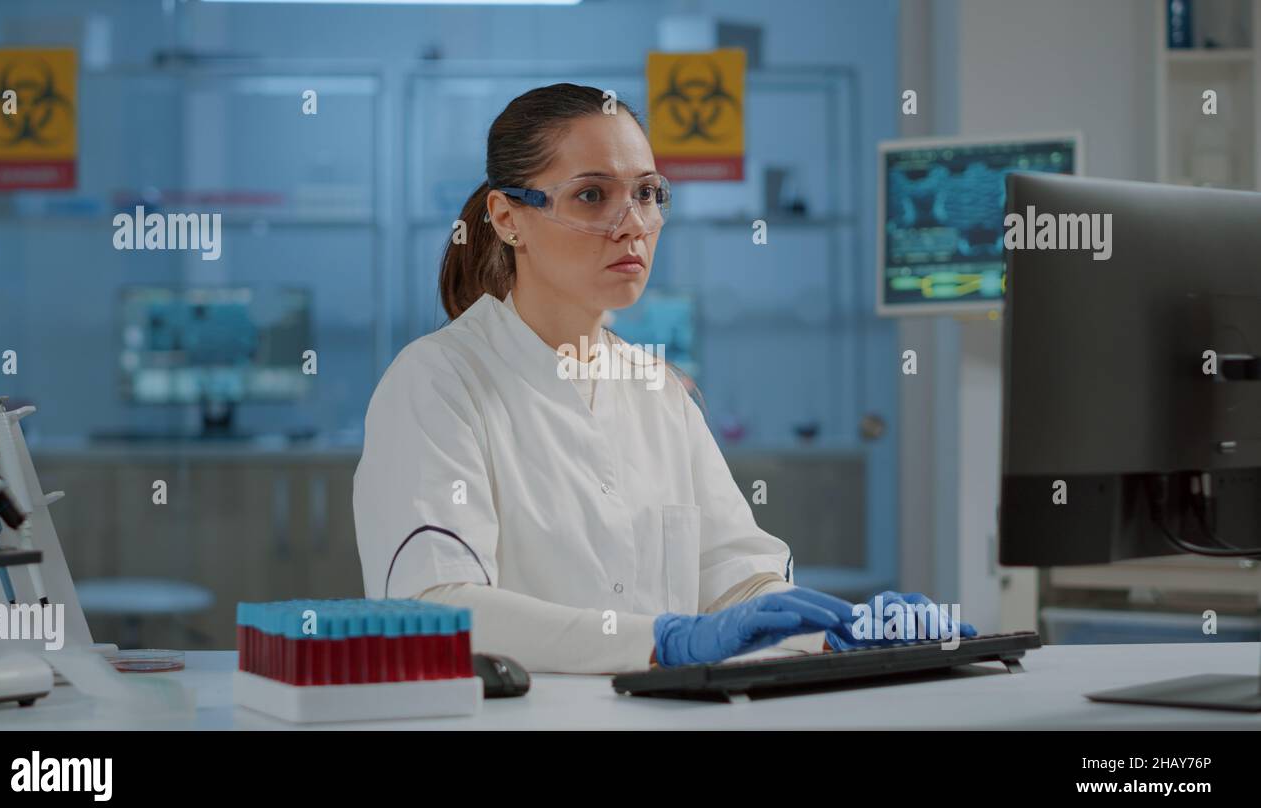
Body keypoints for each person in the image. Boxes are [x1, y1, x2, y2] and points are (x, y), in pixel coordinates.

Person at [353, 83, 972, 674]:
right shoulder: (437, 382)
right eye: (592, 195)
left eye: (647, 193)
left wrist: (834, 632)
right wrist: (661, 640)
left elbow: (736, 575)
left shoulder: (658, 389)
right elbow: (435, 606)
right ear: (508, 217)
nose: (633, 225)